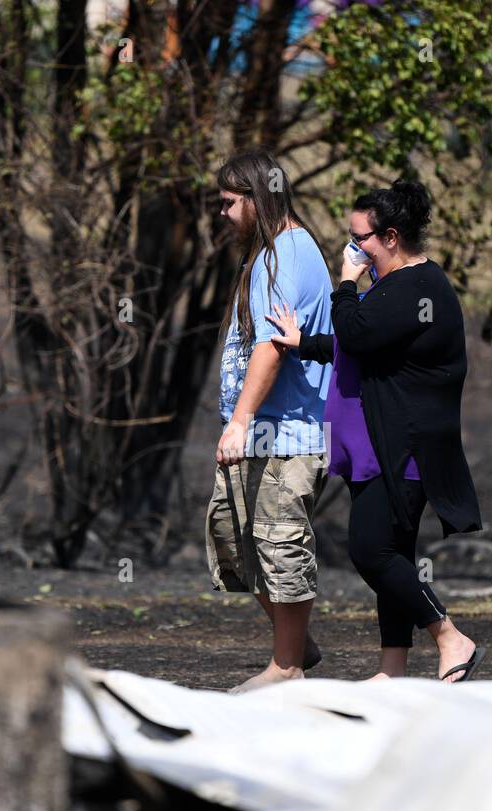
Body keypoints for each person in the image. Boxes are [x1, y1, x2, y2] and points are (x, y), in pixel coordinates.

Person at [267, 178, 486, 682]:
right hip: (374, 447)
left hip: (404, 449)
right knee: (397, 553)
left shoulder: (419, 287)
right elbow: (365, 347)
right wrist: (306, 342)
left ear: (390, 237)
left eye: (359, 239)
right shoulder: (395, 288)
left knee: (371, 550)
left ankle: (451, 637)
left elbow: (359, 332)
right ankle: (392, 669)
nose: (352, 249)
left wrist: (345, 282)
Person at [207, 148, 333, 694]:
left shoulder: (290, 254)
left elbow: (273, 347)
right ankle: (296, 642)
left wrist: (240, 420)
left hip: (285, 432)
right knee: (232, 540)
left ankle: (286, 669)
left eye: (230, 203)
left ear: (257, 198)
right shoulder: (264, 254)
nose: (223, 213)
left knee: (280, 545)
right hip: (259, 430)